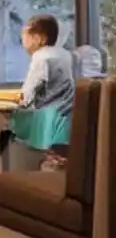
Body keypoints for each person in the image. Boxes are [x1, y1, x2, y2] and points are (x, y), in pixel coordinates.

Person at [8, 14, 76, 172]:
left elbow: (27, 96)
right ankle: (54, 160)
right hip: (66, 116)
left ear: (39, 38)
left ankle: (20, 172)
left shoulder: (41, 58)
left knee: (9, 123)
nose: (23, 39)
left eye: (26, 34)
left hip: (47, 119)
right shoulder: (65, 54)